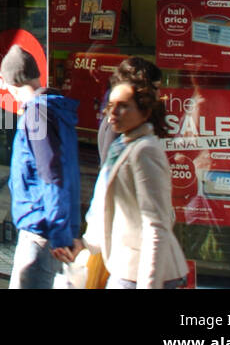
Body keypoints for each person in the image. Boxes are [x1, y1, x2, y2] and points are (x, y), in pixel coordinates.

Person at [81, 64, 189, 288]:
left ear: (145, 110)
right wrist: (85, 244)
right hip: (124, 265)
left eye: (123, 107)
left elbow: (156, 224)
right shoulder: (121, 145)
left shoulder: (144, 150)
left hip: (138, 271)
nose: (113, 114)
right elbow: (104, 199)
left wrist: (148, 284)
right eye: (111, 106)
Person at [0, 44, 81, 289]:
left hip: (41, 233)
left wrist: (59, 234)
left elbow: (51, 176)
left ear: (11, 83)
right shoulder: (54, 110)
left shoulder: (37, 114)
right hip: (52, 230)